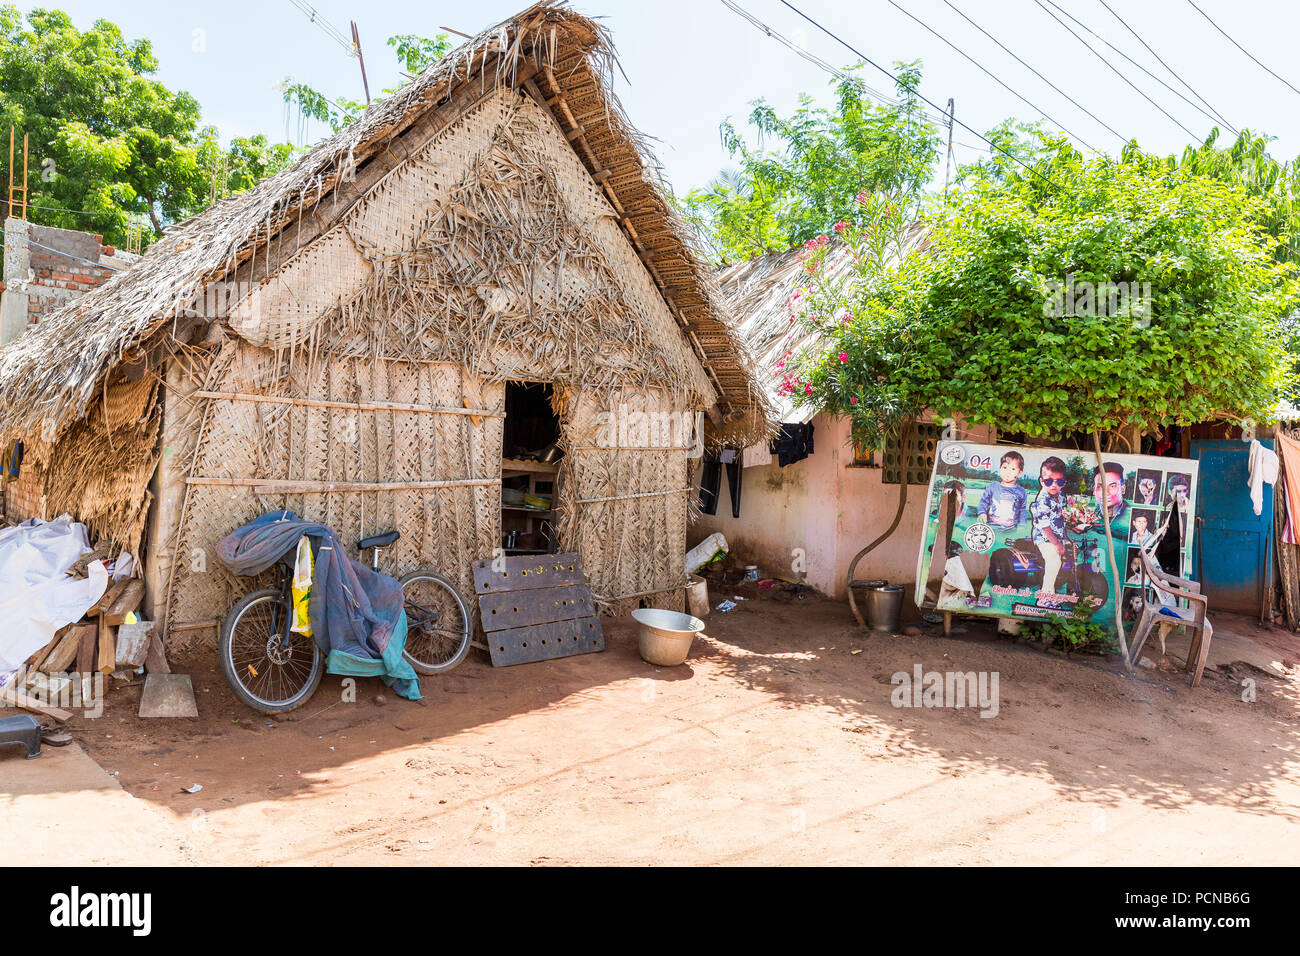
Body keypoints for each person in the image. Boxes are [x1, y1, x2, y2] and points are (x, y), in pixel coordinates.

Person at [1030, 456, 1070, 605]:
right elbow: (1044, 526)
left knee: (1075, 552)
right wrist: (1057, 544)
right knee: (1053, 561)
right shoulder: (1043, 499)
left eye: (1059, 482)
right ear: (1041, 481)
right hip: (1044, 537)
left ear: (1063, 482)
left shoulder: (1061, 495)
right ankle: (1045, 597)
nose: (1054, 485)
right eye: (1048, 481)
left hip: (1059, 535)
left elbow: (1063, 516)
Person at [978, 451, 1028, 530]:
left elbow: (1022, 510)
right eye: (1005, 467)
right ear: (1000, 468)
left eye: (1013, 469)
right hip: (991, 527)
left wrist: (1022, 526)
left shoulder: (1021, 492)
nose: (1008, 471)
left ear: (1019, 473)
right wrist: (982, 513)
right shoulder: (992, 487)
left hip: (1011, 529)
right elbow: (984, 502)